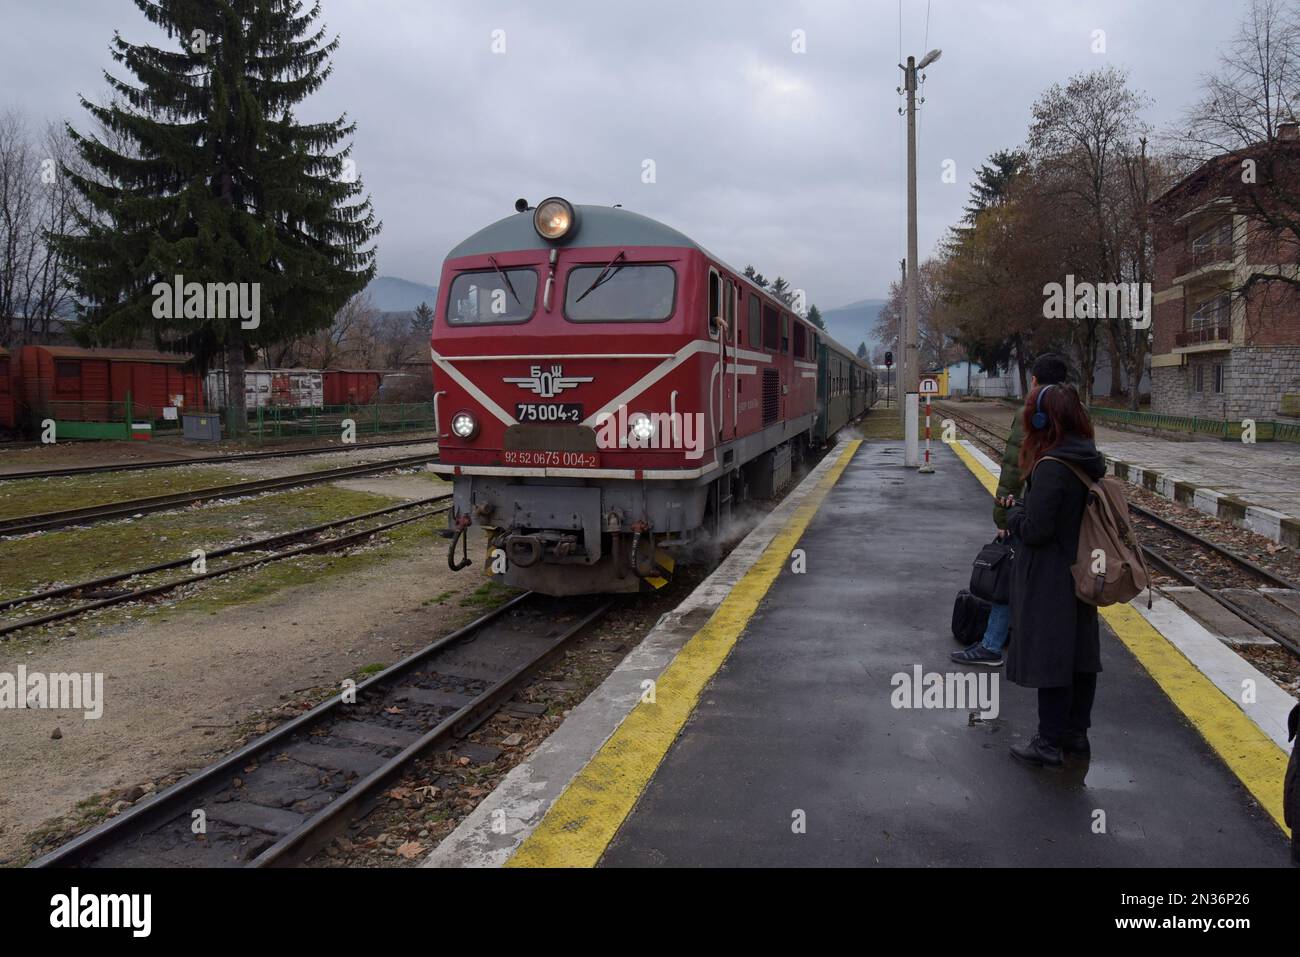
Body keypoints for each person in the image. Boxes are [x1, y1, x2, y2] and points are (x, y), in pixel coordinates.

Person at [1002, 382, 1106, 768]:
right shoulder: (1088, 457)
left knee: (1053, 657)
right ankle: (1076, 736)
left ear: (1042, 418)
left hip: (1053, 577)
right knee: (1081, 654)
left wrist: (1014, 513)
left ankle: (1048, 743)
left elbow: (1037, 529)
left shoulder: (1052, 466)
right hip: (1083, 570)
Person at [951, 354, 1071, 667]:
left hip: (1034, 512)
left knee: (1008, 578)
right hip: (1069, 515)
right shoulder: (1078, 413)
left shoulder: (1031, 413)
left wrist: (1003, 517)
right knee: (1055, 583)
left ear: (1033, 381)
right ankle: (1052, 648)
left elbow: (1013, 469)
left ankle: (991, 646)